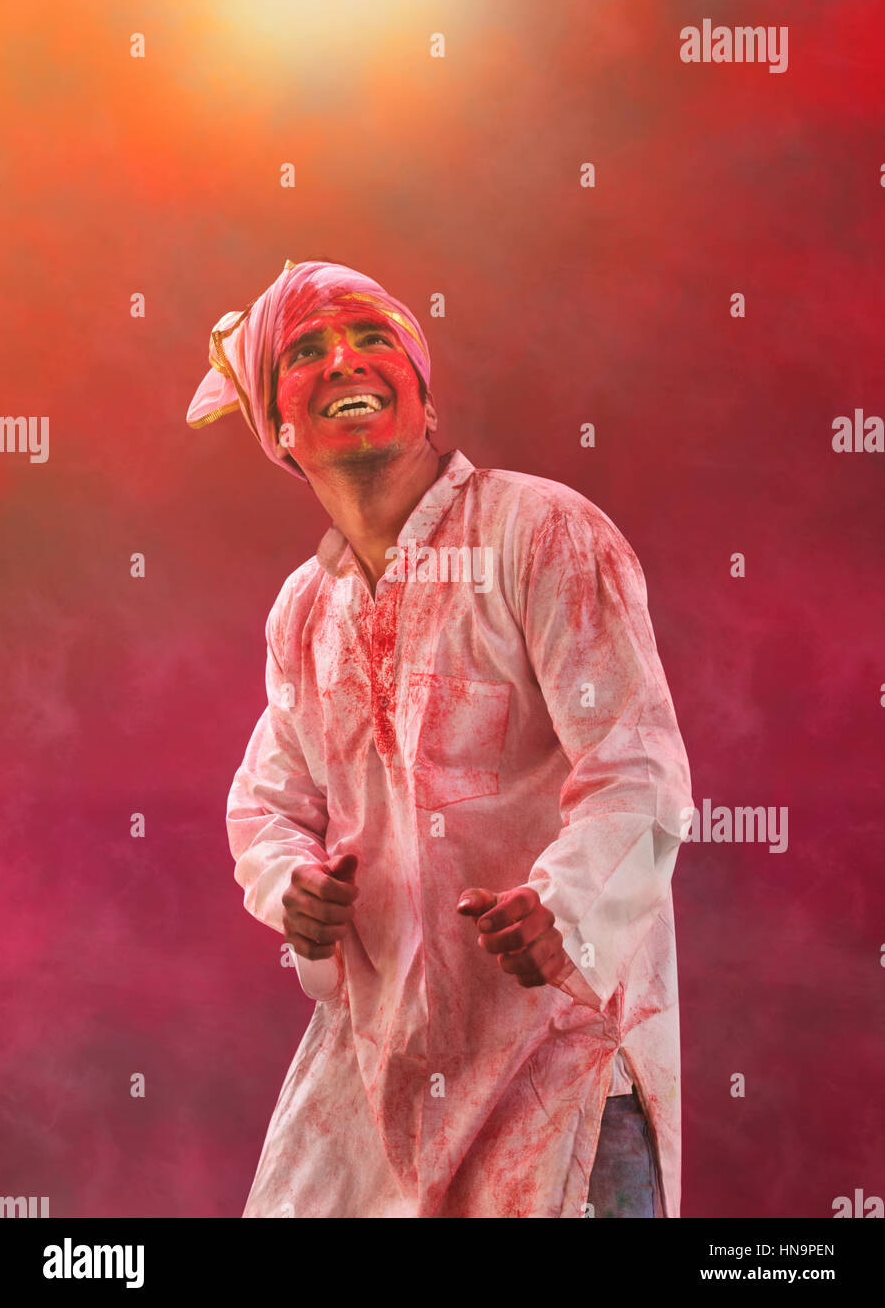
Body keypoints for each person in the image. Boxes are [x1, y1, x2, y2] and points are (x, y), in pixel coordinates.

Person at [187, 258, 693, 1219]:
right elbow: (267, 801)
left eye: (374, 340)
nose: (346, 361)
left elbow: (636, 762)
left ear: (426, 405)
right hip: (376, 1075)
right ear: (276, 427)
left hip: (557, 1062)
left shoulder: (538, 535)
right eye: (306, 351)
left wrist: (566, 906)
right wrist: (292, 886)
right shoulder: (306, 611)